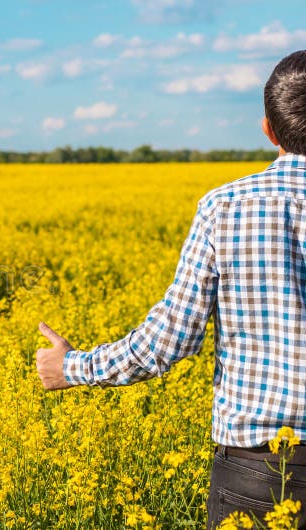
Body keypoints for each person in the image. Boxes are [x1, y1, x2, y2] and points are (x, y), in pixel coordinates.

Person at [35, 49, 306, 529]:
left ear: (268, 128)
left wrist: (72, 367)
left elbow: (170, 340)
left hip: (255, 471)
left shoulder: (224, 209)